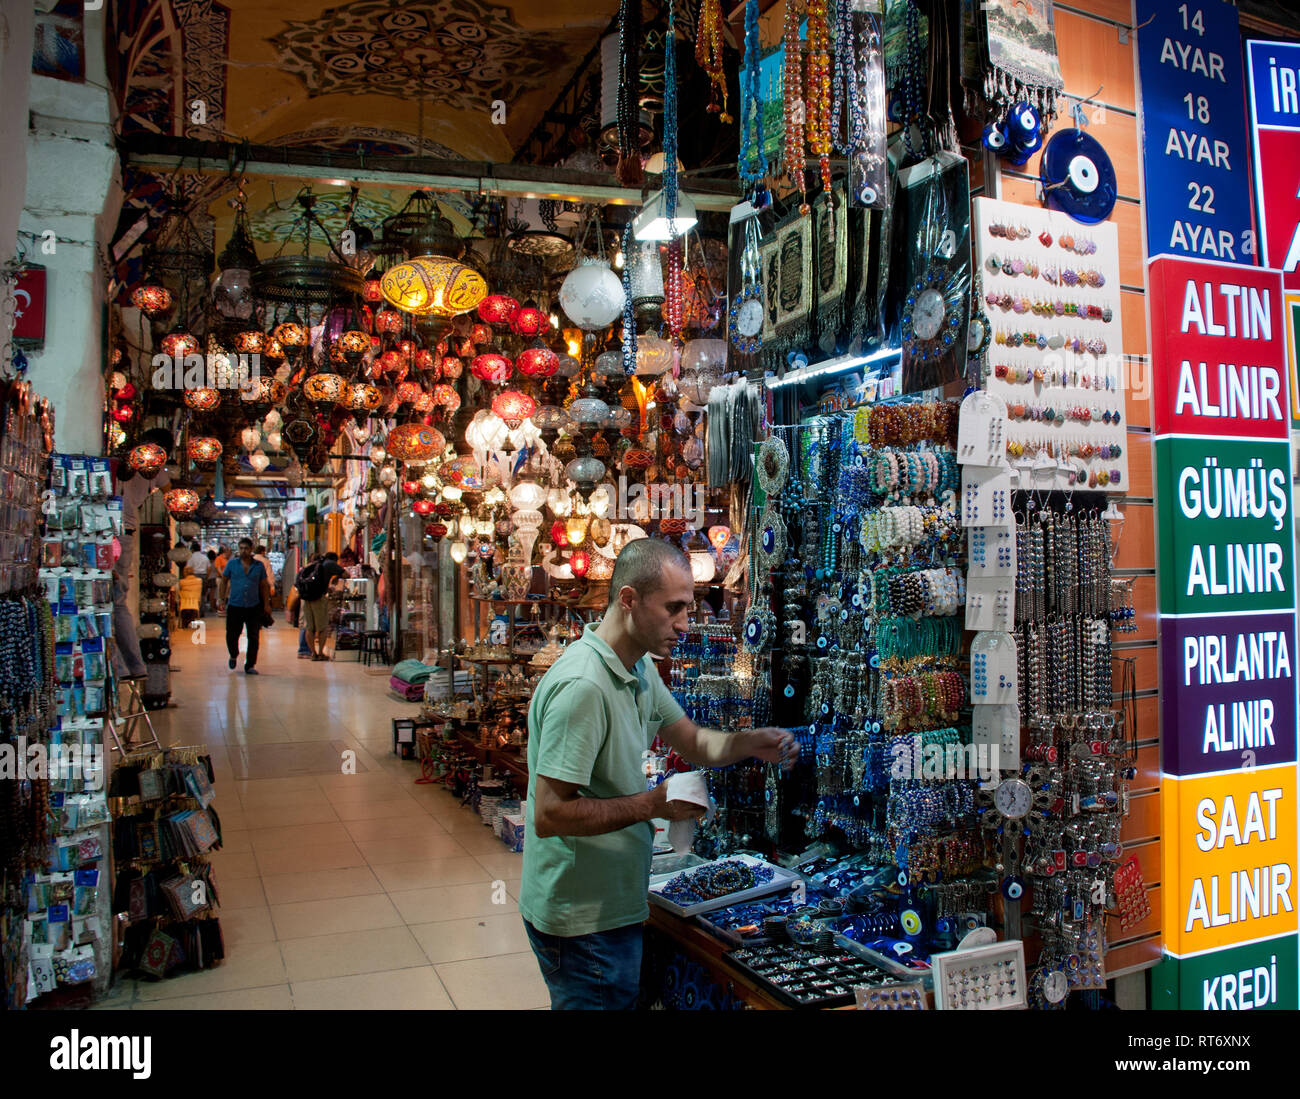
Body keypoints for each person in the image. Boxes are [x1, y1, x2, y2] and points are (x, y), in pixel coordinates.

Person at [519, 538, 798, 1010]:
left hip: (611, 901)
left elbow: (691, 741)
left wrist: (748, 742)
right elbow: (550, 814)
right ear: (628, 599)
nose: (684, 625)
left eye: (687, 608)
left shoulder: (638, 666)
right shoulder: (584, 686)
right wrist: (653, 804)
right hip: (584, 916)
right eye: (673, 609)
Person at [218, 537, 271, 675]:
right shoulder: (232, 564)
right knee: (232, 634)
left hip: (253, 606)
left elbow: (264, 585)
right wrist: (221, 598)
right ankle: (233, 654)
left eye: (246, 548)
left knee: (253, 636)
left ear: (251, 549)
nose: (243, 551)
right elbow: (224, 581)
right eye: (241, 548)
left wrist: (266, 604)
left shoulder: (258, 566)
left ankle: (250, 665)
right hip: (235, 604)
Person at [298, 551, 346, 661]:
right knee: (322, 627)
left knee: (309, 627)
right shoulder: (330, 563)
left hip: (306, 598)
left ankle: (312, 654)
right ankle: (320, 653)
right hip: (318, 599)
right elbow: (346, 574)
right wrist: (337, 576)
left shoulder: (311, 565)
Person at [213, 545, 230, 614]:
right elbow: (219, 569)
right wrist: (224, 577)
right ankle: (220, 607)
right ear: (226, 552)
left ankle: (224, 607)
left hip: (227, 579)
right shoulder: (219, 558)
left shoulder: (228, 560)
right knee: (220, 593)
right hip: (221, 579)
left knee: (226, 594)